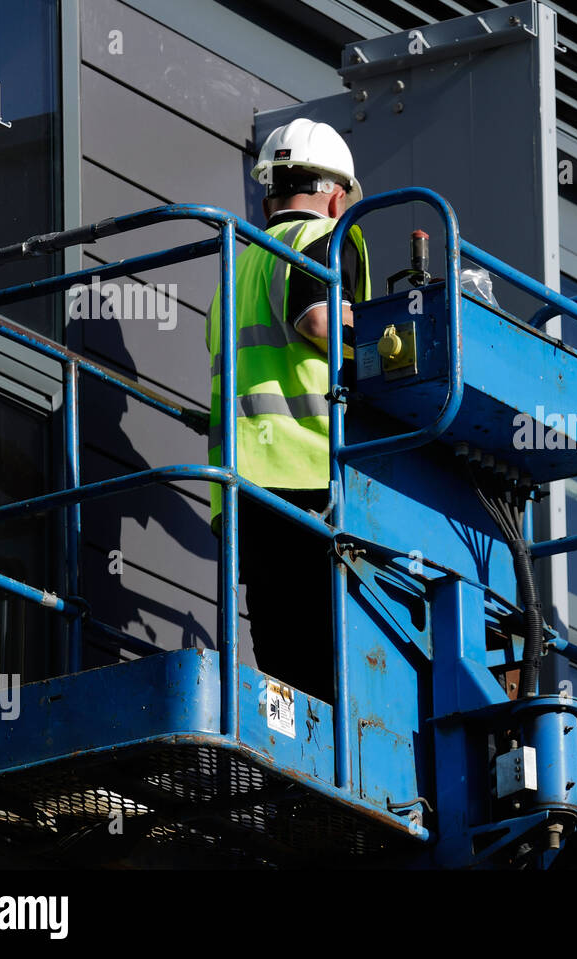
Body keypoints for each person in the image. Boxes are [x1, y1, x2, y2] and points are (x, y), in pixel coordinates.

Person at [204, 117, 370, 704]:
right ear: (335, 194)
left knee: (282, 662)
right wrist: (380, 335)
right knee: (334, 665)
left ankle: (294, 768)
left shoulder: (235, 266)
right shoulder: (323, 239)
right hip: (309, 483)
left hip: (245, 492)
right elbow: (317, 317)